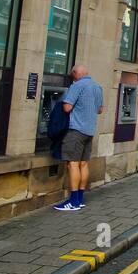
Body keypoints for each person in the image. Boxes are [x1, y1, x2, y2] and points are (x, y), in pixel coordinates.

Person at [54, 64, 104, 211]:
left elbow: (67, 107)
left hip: (76, 130)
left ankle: (73, 201)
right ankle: (80, 199)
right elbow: (100, 110)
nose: (72, 77)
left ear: (76, 74)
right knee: (83, 164)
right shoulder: (97, 86)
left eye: (72, 75)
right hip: (89, 131)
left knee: (72, 164)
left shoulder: (77, 85)